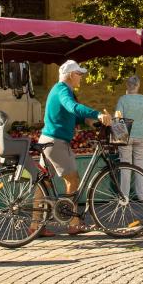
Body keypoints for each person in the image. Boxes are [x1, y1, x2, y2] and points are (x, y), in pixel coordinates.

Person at [39, 60, 111, 233]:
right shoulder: (63, 90)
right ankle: (73, 223)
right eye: (79, 74)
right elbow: (72, 107)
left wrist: (89, 122)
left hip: (46, 140)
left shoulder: (59, 90)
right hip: (56, 142)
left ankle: (36, 226)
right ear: (71, 75)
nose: (81, 78)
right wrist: (97, 114)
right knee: (72, 179)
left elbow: (70, 114)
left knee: (43, 183)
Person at [114, 76, 143, 202]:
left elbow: (117, 117)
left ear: (127, 86)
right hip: (141, 134)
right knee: (140, 164)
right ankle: (142, 195)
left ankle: (124, 196)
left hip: (125, 135)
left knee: (125, 165)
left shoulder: (122, 99)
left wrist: (118, 136)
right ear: (138, 86)